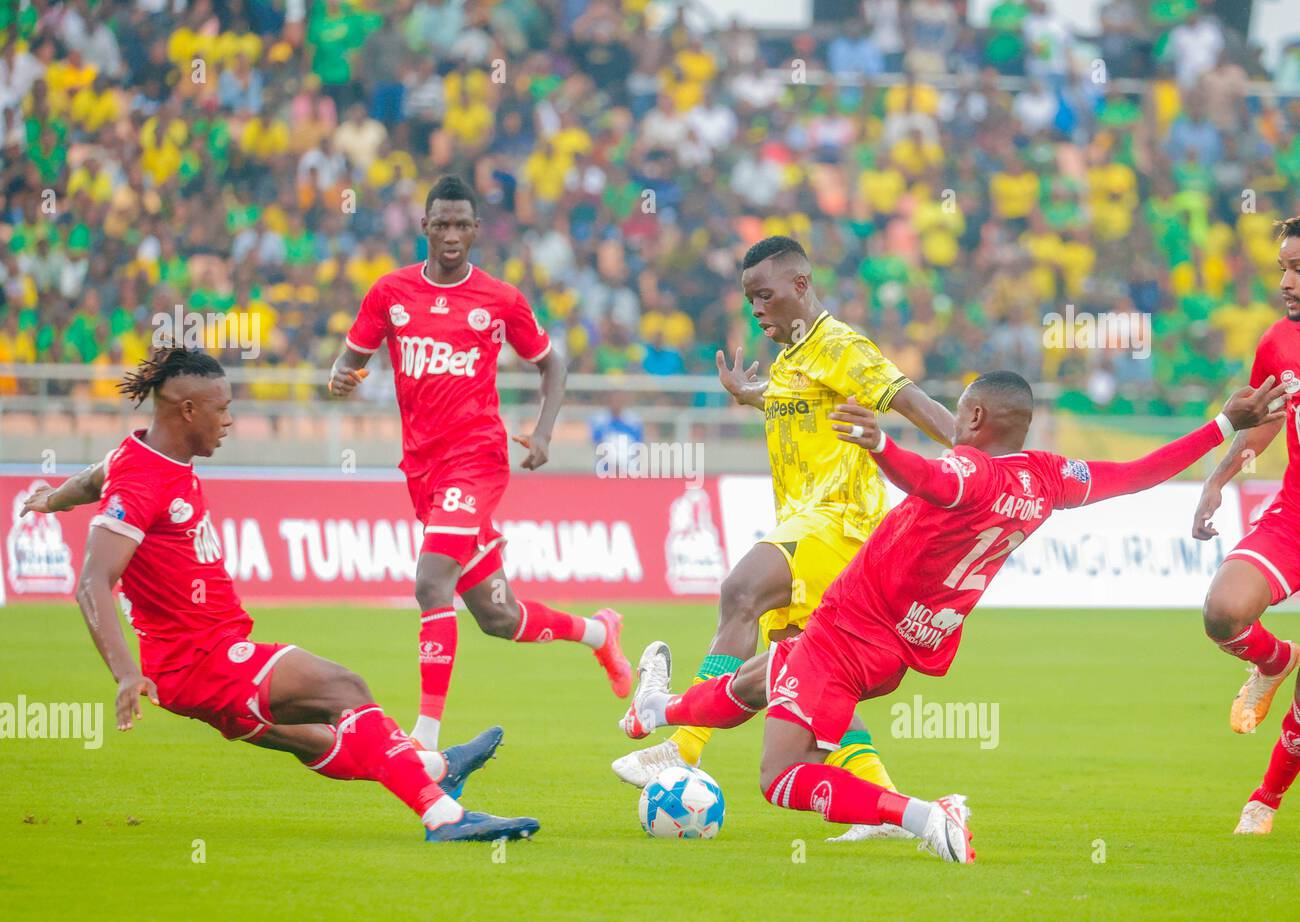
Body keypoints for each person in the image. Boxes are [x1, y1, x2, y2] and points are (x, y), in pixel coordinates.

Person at [618, 371, 1285, 860]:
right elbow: (1140, 474)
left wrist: (881, 447)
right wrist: (1222, 424)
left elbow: (929, 481)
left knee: (781, 777)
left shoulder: (969, 470)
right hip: (895, 649)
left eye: (961, 410)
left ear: (972, 420)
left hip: (848, 634)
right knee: (757, 683)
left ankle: (923, 817)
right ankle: (659, 710)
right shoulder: (1046, 477)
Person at [22, 348, 539, 842]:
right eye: (221, 410)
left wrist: (53, 500)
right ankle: (443, 816)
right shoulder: (142, 481)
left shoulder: (132, 459)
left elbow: (94, 479)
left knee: (319, 738)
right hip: (203, 659)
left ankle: (435, 769)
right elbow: (92, 582)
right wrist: (125, 674)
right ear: (187, 409)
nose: (228, 422)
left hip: (190, 669)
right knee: (345, 689)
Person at [612, 236, 955, 844]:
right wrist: (754, 396)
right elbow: (801, 402)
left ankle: (684, 747)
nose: (756, 311)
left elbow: (916, 402)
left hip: (843, 525)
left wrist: (981, 462)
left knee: (741, 590)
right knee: (798, 677)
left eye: (764, 296)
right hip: (808, 526)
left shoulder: (842, 345)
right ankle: (897, 811)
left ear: (801, 285)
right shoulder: (793, 361)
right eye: (749, 301)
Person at [328, 175, 631, 753]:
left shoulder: (500, 299)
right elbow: (350, 358)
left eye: (460, 224)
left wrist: (543, 433)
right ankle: (599, 633)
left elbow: (552, 362)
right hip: (422, 471)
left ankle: (425, 736)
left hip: (477, 460)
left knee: (429, 582)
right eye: (439, 223)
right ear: (424, 226)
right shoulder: (389, 293)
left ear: (475, 231)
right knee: (498, 615)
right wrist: (341, 376)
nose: (449, 234)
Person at [1191, 216, 1300, 834]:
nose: (1286, 282)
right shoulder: (1279, 343)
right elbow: (1263, 418)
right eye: (1283, 268)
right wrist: (1217, 479)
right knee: (1223, 612)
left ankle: (1264, 801)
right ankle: (1275, 658)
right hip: (1295, 516)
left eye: (1298, 270)